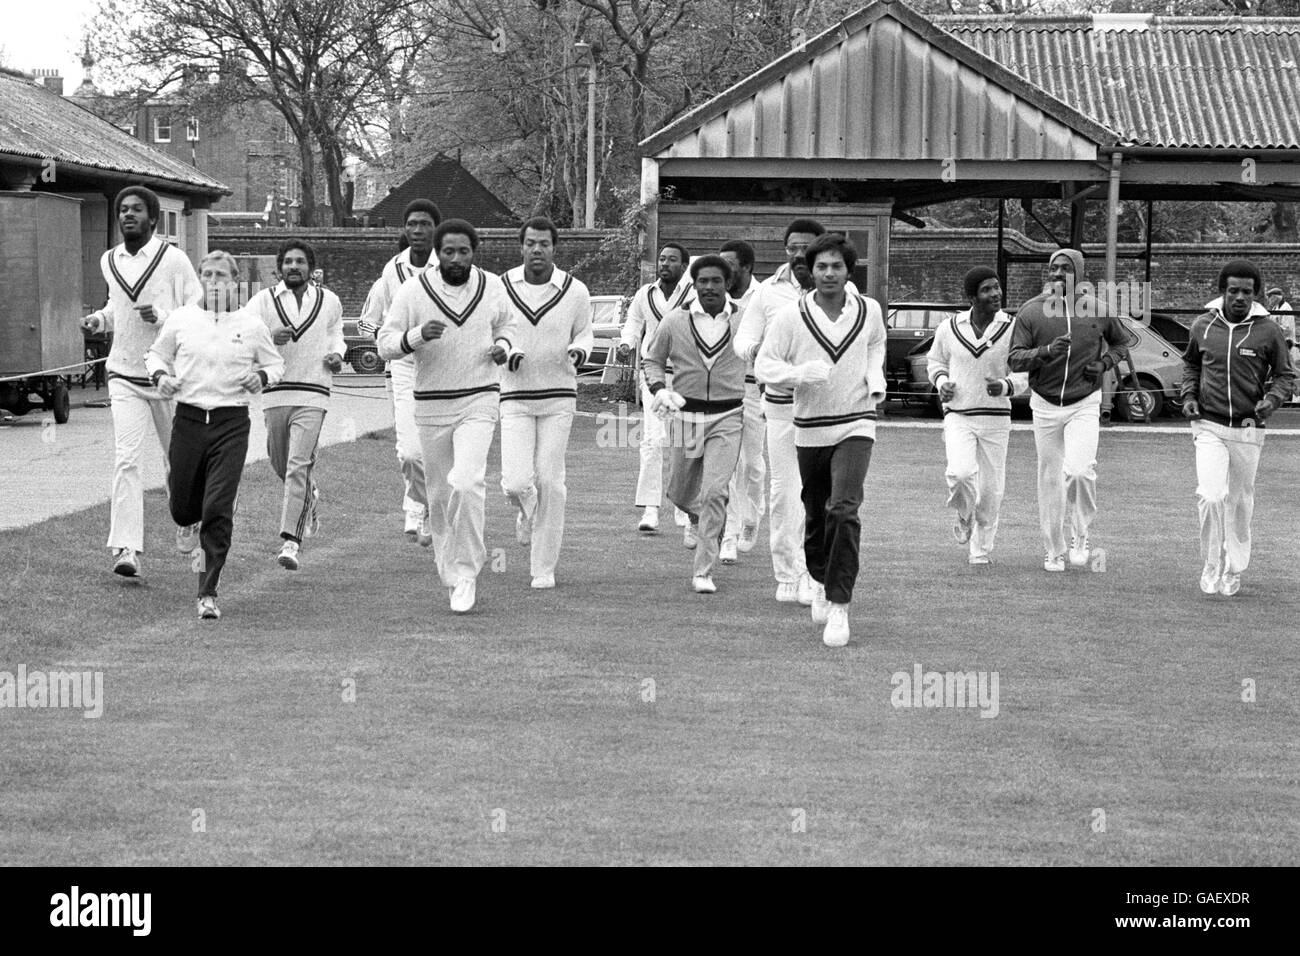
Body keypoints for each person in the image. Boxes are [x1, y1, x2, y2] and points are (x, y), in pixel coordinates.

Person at [377, 219, 517, 614]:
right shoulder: (413, 289)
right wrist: (417, 336)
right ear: (437, 252)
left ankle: (468, 572)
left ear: (476, 251)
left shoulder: (492, 286)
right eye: (449, 251)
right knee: (439, 496)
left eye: (464, 251)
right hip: (431, 403)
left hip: (480, 398)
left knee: (467, 482)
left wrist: (503, 346)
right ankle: (450, 571)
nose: (457, 258)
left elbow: (508, 325)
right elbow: (385, 344)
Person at [755, 234, 886, 647]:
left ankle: (840, 605)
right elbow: (764, 363)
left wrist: (875, 377)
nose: (829, 274)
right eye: (822, 267)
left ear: (850, 271)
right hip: (809, 427)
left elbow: (877, 344)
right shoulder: (791, 317)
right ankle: (815, 575)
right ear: (810, 271)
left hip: (857, 422)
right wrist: (796, 374)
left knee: (844, 509)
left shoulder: (869, 311)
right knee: (816, 515)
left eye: (837, 267)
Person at [144, 251, 284, 620]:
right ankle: (187, 518)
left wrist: (262, 378)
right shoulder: (182, 319)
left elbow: (275, 363)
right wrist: (162, 377)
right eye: (206, 274)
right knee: (183, 508)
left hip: (231, 422)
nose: (213, 281)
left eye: (221, 275)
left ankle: (207, 592)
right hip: (189, 419)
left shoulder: (251, 324)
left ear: (234, 280)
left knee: (217, 509)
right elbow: (155, 355)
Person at [80, 184, 203, 578]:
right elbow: (117, 309)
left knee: (178, 460)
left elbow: (197, 312)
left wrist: (164, 316)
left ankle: (187, 519)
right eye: (122, 210)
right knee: (127, 459)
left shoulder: (175, 260)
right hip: (123, 373)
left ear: (153, 218)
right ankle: (126, 549)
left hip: (168, 376)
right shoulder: (109, 260)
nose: (127, 215)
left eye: (136, 210)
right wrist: (100, 321)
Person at [735, 218, 859, 605]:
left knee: (822, 497)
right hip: (782, 406)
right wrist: (763, 356)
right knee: (785, 492)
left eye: (805, 247)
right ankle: (788, 573)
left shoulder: (847, 291)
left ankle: (814, 573)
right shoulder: (768, 293)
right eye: (791, 247)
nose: (797, 255)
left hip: (830, 410)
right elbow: (744, 341)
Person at [1008, 248, 1133, 572]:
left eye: (1065, 268)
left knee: (1078, 470)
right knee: (1050, 478)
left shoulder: (1099, 310)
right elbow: (1015, 358)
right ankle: (1054, 549)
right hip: (1046, 403)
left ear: (1079, 274)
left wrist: (1104, 363)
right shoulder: (1031, 311)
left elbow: (1122, 343)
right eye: (1054, 268)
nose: (1058, 273)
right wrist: (1047, 351)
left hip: (1084, 401)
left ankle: (1081, 535)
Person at [1182, 261, 1296, 596]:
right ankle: (1211, 563)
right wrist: (1189, 395)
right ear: (1222, 291)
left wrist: (1273, 400)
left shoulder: (1268, 330)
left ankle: (1234, 567)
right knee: (1211, 495)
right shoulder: (1203, 325)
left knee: (1240, 500)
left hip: (1248, 427)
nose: (1240, 297)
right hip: (1209, 425)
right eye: (1234, 291)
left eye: (1247, 291)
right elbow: (1190, 364)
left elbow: (1286, 375)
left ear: (1256, 294)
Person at [498, 217, 594, 589]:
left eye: (544, 244)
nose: (537, 250)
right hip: (514, 394)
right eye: (531, 244)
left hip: (558, 396)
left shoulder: (575, 290)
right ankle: (526, 511)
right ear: (520, 247)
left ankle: (543, 568)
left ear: (555, 248)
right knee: (516, 481)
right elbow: (495, 332)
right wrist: (508, 351)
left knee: (551, 481)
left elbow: (585, 332)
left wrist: (579, 350)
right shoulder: (501, 287)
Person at [641, 255, 747, 594]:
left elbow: (767, 352)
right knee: (682, 492)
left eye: (716, 281)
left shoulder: (745, 320)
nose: (710, 287)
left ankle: (703, 570)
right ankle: (699, 517)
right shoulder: (675, 321)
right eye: (703, 281)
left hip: (728, 416)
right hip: (686, 417)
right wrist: (660, 390)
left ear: (727, 284)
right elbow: (652, 360)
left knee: (716, 490)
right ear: (695, 284)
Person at [246, 239, 345, 571]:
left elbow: (336, 334)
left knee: (297, 465)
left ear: (310, 268)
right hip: (275, 392)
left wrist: (337, 354)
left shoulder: (329, 300)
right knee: (280, 463)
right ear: (279, 267)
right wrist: (269, 337)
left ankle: (291, 541)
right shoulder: (262, 300)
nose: (293, 267)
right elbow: (243, 335)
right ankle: (310, 495)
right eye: (288, 261)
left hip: (314, 391)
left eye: (300, 261)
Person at [927, 267, 1027, 565]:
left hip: (996, 419)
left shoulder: (1012, 327)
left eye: (997, 288)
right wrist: (942, 382)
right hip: (959, 414)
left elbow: (1024, 371)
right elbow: (935, 362)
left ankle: (980, 551)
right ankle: (963, 511)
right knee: (959, 474)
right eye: (986, 290)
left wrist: (1007, 386)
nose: (995, 294)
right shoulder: (949, 328)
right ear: (971, 297)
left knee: (991, 490)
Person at [358, 200, 441, 543]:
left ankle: (423, 510)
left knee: (435, 448)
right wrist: (390, 342)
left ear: (435, 228)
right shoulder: (391, 271)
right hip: (404, 366)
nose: (418, 230)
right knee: (409, 450)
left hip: (441, 366)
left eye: (424, 224)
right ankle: (419, 507)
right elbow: (368, 322)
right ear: (404, 229)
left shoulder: (449, 265)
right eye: (412, 224)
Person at [616, 243, 693, 533]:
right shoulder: (645, 294)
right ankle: (650, 509)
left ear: (684, 266)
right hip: (653, 375)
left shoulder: (693, 294)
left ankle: (683, 505)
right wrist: (627, 344)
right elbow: (633, 325)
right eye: (662, 259)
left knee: (684, 441)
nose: (665, 263)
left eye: (672, 260)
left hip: (687, 375)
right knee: (652, 440)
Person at [717, 239, 765, 564]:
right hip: (723, 391)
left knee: (753, 465)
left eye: (730, 265)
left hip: (756, 391)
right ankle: (729, 536)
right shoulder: (712, 296)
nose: (723, 271)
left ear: (746, 267)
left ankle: (752, 517)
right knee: (727, 468)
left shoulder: (763, 297)